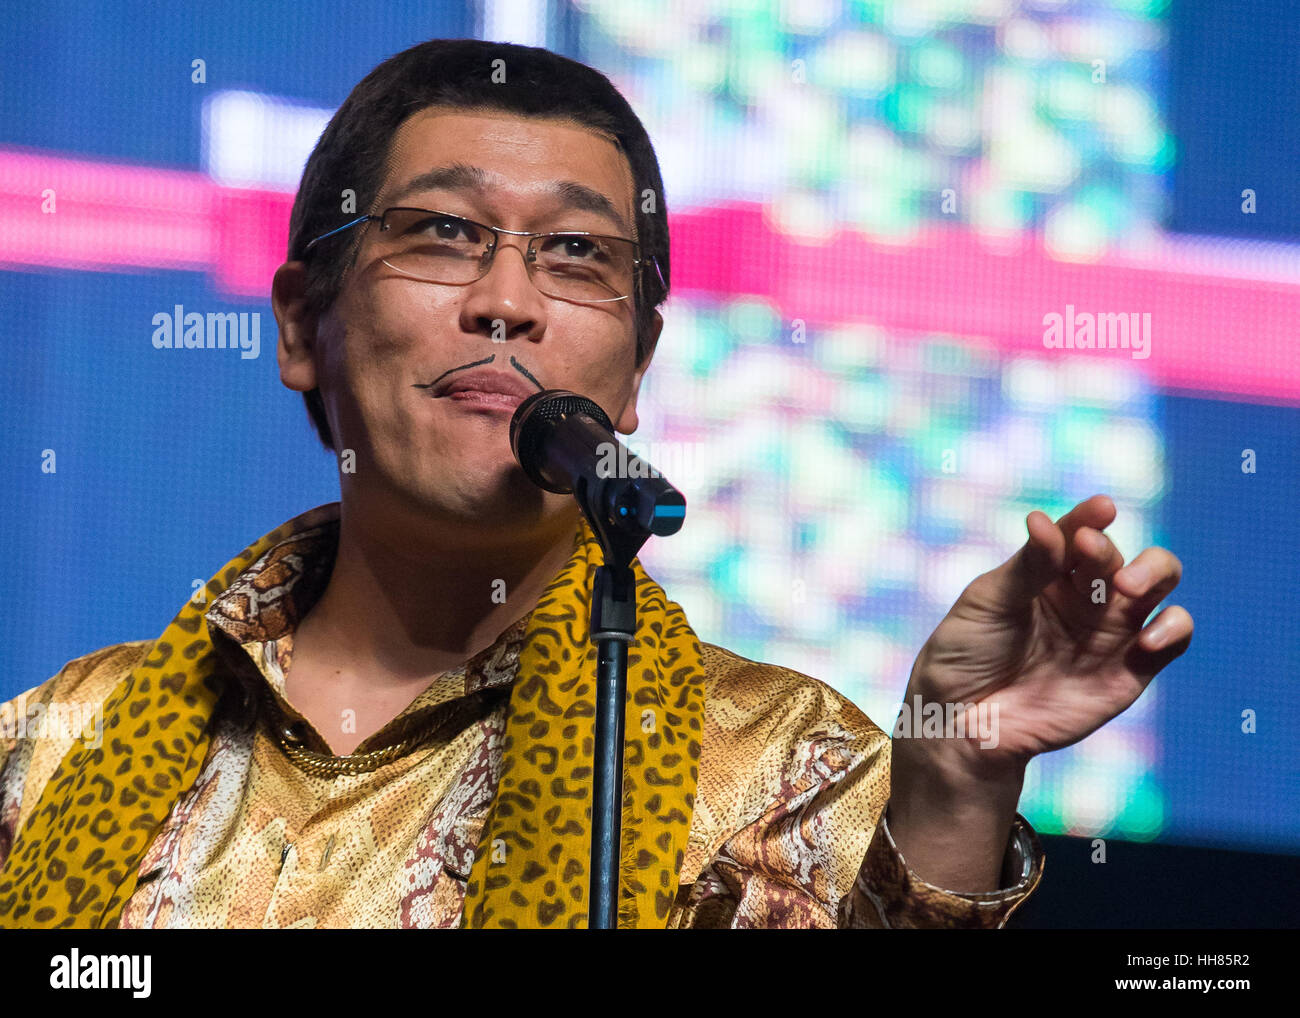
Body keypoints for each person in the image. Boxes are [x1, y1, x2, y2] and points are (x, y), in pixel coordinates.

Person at [0, 39, 1192, 930]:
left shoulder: (792, 773)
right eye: (442, 233)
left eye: (575, 254)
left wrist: (954, 788)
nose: (507, 299)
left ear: (635, 377)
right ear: (306, 324)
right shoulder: (51, 746)